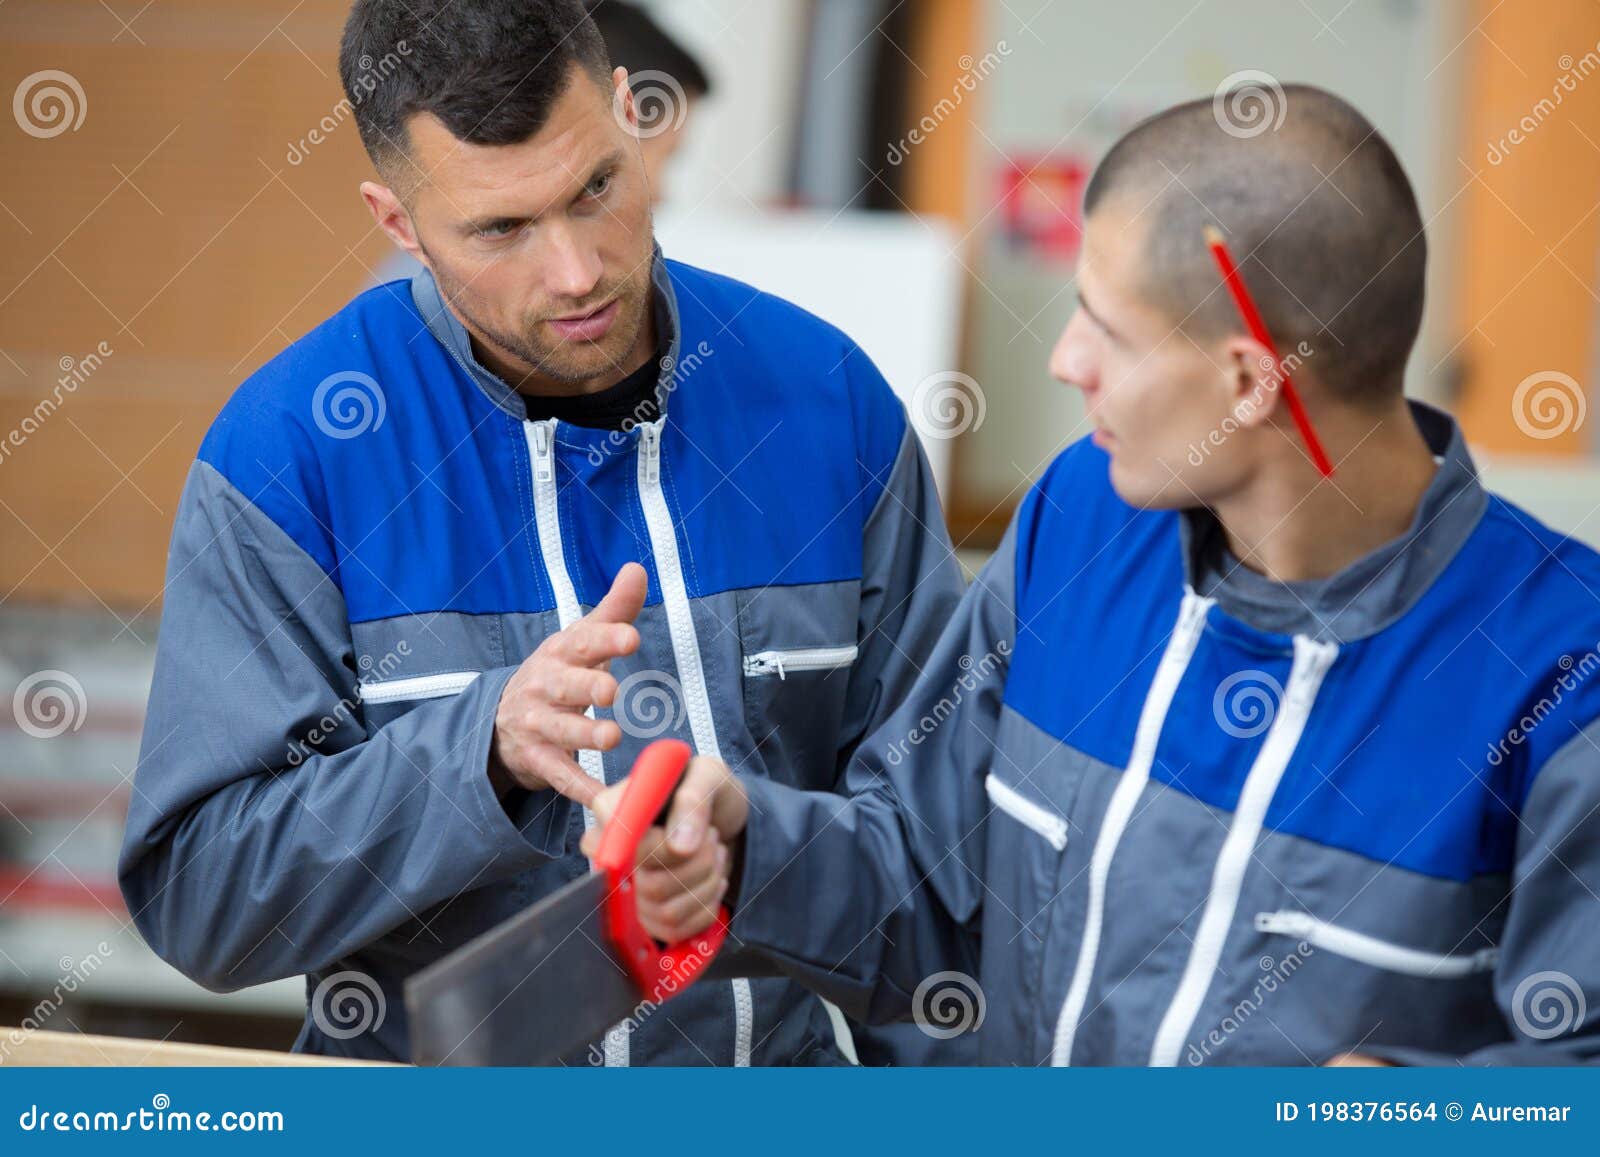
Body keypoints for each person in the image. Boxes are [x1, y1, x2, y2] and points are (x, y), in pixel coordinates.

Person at [593, 84, 1600, 1065]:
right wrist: (745, 845)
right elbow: (920, 876)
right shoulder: (1076, 524)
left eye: (1105, 330)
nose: (1064, 360)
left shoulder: (1564, 676)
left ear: (1249, 381)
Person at [119, 0, 962, 1066]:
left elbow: (949, 858)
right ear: (397, 221)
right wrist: (476, 753)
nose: (575, 273)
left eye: (595, 188)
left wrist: (767, 853)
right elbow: (204, 899)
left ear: (628, 114)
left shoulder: (825, 400)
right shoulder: (291, 457)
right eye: (500, 229)